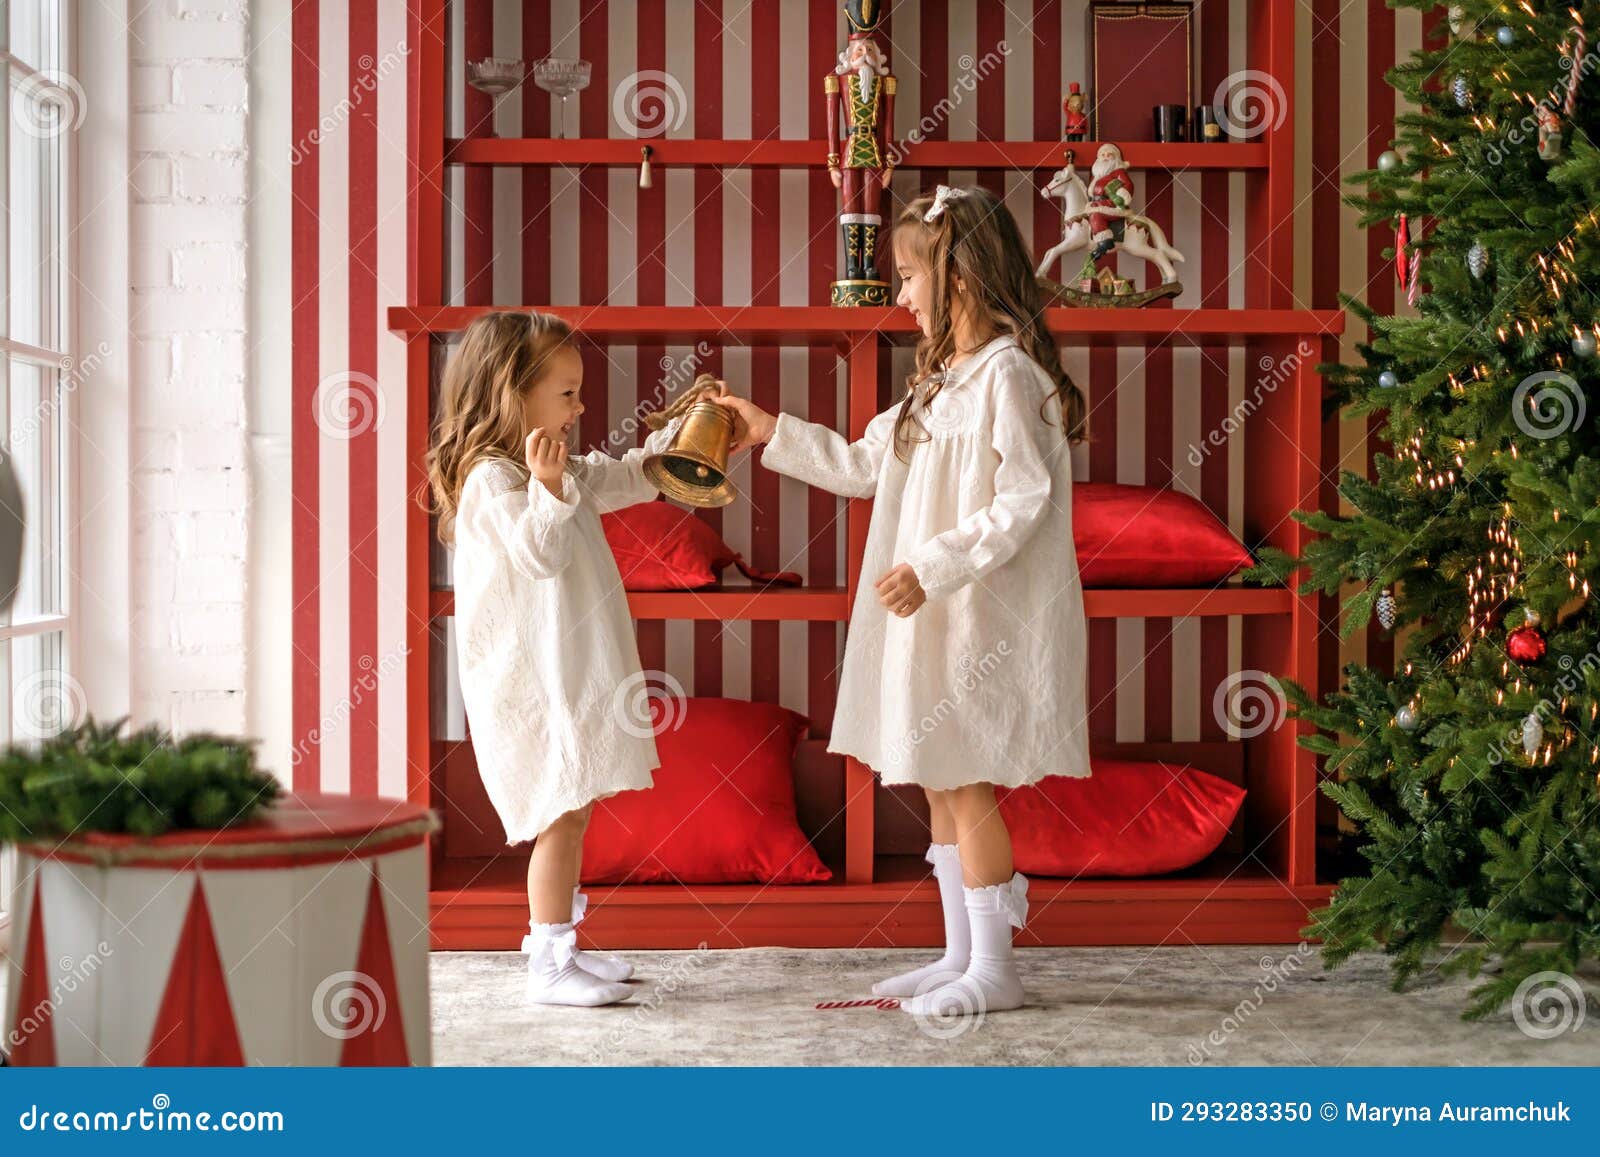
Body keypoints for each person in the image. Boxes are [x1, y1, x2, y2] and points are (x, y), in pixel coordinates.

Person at [712, 185, 1092, 1018]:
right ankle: (962, 950)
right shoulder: (934, 388)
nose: (903, 295)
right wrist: (765, 428)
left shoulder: (1008, 379)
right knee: (941, 776)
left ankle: (997, 966)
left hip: (978, 615)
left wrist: (933, 562)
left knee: (969, 778)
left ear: (961, 278)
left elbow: (1023, 501)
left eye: (913, 276)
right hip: (931, 617)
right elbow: (856, 463)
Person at [424, 310, 701, 1007]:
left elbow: (629, 477)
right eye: (567, 393)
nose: (580, 408)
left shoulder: (554, 468)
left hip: (568, 669)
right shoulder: (493, 480)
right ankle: (547, 961)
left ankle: (566, 944)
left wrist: (682, 433)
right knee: (561, 812)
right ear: (513, 393)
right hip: (531, 683)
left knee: (575, 806)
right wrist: (547, 488)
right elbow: (537, 555)